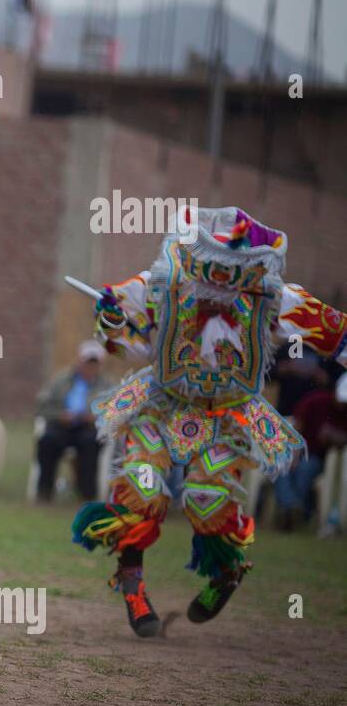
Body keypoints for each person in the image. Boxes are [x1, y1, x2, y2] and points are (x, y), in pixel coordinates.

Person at [72, 206, 347, 638]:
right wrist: (110, 318)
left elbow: (337, 335)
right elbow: (121, 340)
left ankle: (228, 570)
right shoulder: (159, 285)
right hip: (161, 404)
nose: (218, 279)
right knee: (141, 493)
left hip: (227, 415)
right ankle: (133, 587)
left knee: (207, 502)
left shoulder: (275, 300)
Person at [35, 340, 106, 501]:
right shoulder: (60, 381)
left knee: (90, 443)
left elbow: (117, 411)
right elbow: (42, 406)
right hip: (62, 425)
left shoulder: (106, 385)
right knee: (47, 441)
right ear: (79, 361)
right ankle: (44, 491)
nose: (90, 367)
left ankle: (87, 494)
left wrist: (96, 417)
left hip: (89, 428)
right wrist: (59, 415)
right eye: (87, 362)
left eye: (94, 364)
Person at [273, 380, 347, 530]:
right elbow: (296, 428)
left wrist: (335, 436)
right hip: (297, 450)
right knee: (281, 468)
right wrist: (293, 456)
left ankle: (290, 513)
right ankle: (293, 508)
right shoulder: (316, 400)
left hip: (320, 458)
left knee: (304, 470)